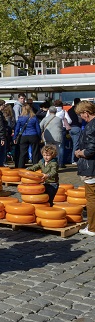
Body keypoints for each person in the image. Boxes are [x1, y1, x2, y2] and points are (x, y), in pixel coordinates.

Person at [74, 100, 95, 236]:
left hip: (91, 167)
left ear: (86, 113)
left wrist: (80, 153)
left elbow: (91, 150)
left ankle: (92, 227)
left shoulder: (90, 127)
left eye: (81, 114)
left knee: (91, 198)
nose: (81, 117)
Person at [14, 104, 42, 168]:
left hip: (24, 136)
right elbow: (38, 129)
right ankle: (35, 166)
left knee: (22, 153)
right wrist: (39, 137)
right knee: (35, 152)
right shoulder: (34, 118)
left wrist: (15, 137)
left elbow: (17, 129)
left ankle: (21, 167)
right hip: (33, 135)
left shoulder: (20, 118)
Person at [66, 98, 82, 165]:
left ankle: (71, 159)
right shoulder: (77, 110)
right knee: (76, 145)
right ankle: (74, 160)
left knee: (72, 145)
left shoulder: (69, 110)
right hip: (76, 128)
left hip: (70, 129)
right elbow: (80, 120)